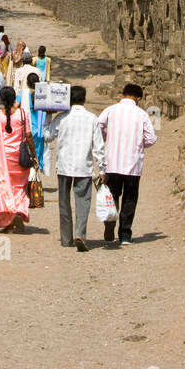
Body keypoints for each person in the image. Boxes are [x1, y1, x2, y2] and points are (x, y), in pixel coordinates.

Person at [46, 85, 105, 251]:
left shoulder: (61, 118)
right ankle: (80, 234)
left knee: (64, 202)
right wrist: (102, 169)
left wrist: (47, 117)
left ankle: (66, 238)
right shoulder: (92, 118)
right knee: (83, 202)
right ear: (84, 99)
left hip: (64, 166)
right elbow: (98, 147)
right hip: (83, 167)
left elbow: (47, 137)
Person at [97, 83, 157, 245]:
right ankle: (125, 234)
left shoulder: (111, 110)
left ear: (123, 94)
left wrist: (105, 138)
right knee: (130, 199)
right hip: (133, 164)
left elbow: (98, 126)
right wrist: (138, 144)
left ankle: (109, 225)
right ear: (138, 97)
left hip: (112, 163)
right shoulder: (141, 114)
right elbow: (151, 138)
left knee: (112, 196)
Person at [0, 85, 35, 234]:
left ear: (1, 99)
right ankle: (18, 211)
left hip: (2, 159)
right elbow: (28, 135)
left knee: (6, 188)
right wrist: (34, 155)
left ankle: (9, 220)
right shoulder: (22, 114)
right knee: (19, 188)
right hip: (20, 158)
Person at [16, 71, 47, 172]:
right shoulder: (42, 94)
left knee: (28, 155)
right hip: (40, 129)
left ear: (27, 82)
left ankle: (30, 180)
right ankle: (35, 177)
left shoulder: (23, 93)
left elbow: (15, 106)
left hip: (27, 129)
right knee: (37, 155)